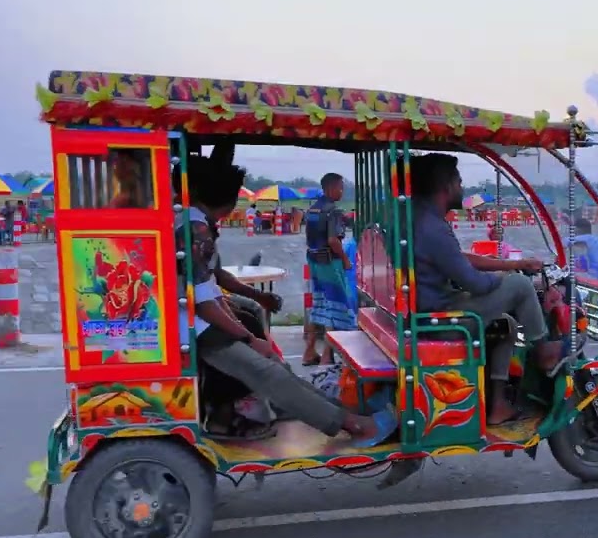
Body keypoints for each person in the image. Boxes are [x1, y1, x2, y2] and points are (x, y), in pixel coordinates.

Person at [179, 155, 395, 446]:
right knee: (266, 368)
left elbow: (209, 283)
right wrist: (247, 338)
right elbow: (203, 301)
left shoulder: (188, 221)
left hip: (190, 317)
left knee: (265, 346)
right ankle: (352, 423)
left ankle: (326, 410)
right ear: (228, 202)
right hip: (190, 325)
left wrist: (250, 303)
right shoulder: (195, 228)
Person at [409, 153, 559, 425]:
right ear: (446, 186)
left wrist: (515, 262)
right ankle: (544, 350)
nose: (462, 188)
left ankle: (498, 405)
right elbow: (474, 283)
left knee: (506, 325)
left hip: (431, 310)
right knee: (521, 285)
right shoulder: (432, 227)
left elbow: (457, 258)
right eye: (459, 182)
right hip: (439, 319)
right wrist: (506, 276)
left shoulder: (422, 217)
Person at [303, 172, 354, 365]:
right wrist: (345, 259)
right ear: (331, 188)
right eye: (341, 187)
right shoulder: (333, 211)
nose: (342, 191)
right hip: (329, 262)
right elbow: (333, 240)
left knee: (318, 305)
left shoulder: (312, 210)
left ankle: (309, 351)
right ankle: (326, 356)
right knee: (335, 307)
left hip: (314, 260)